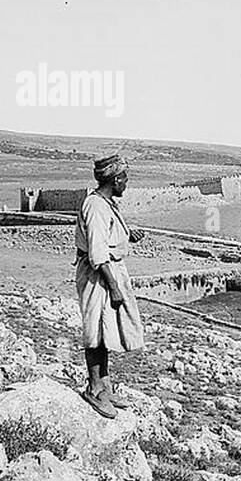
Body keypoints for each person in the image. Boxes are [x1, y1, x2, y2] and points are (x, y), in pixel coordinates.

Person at [75, 154, 146, 418]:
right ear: (115, 179)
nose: (127, 184)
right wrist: (113, 286)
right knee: (94, 330)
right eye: (125, 178)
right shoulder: (95, 206)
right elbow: (97, 252)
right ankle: (94, 389)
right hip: (99, 274)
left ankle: (105, 385)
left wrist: (128, 235)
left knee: (105, 330)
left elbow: (109, 236)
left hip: (108, 270)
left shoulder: (107, 204)